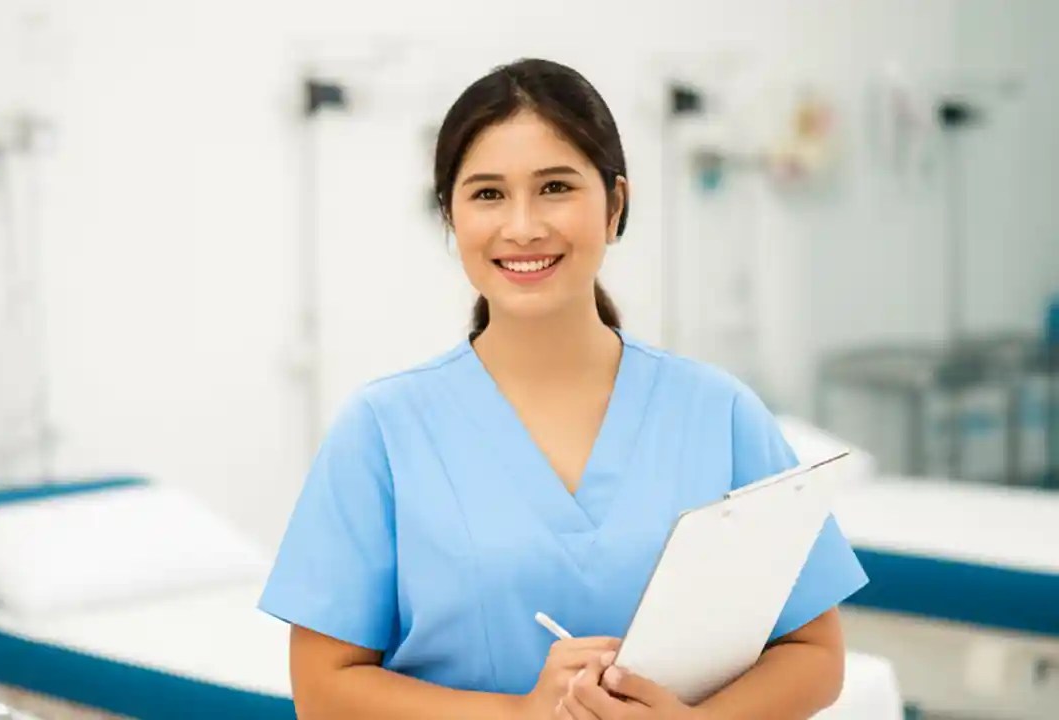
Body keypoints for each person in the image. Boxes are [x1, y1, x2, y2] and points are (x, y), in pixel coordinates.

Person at [258, 58, 867, 719]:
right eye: (488, 194)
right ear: (450, 218)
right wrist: (515, 716)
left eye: (555, 187)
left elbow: (814, 652)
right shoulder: (381, 430)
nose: (522, 226)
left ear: (615, 206)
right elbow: (323, 689)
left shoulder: (717, 412)